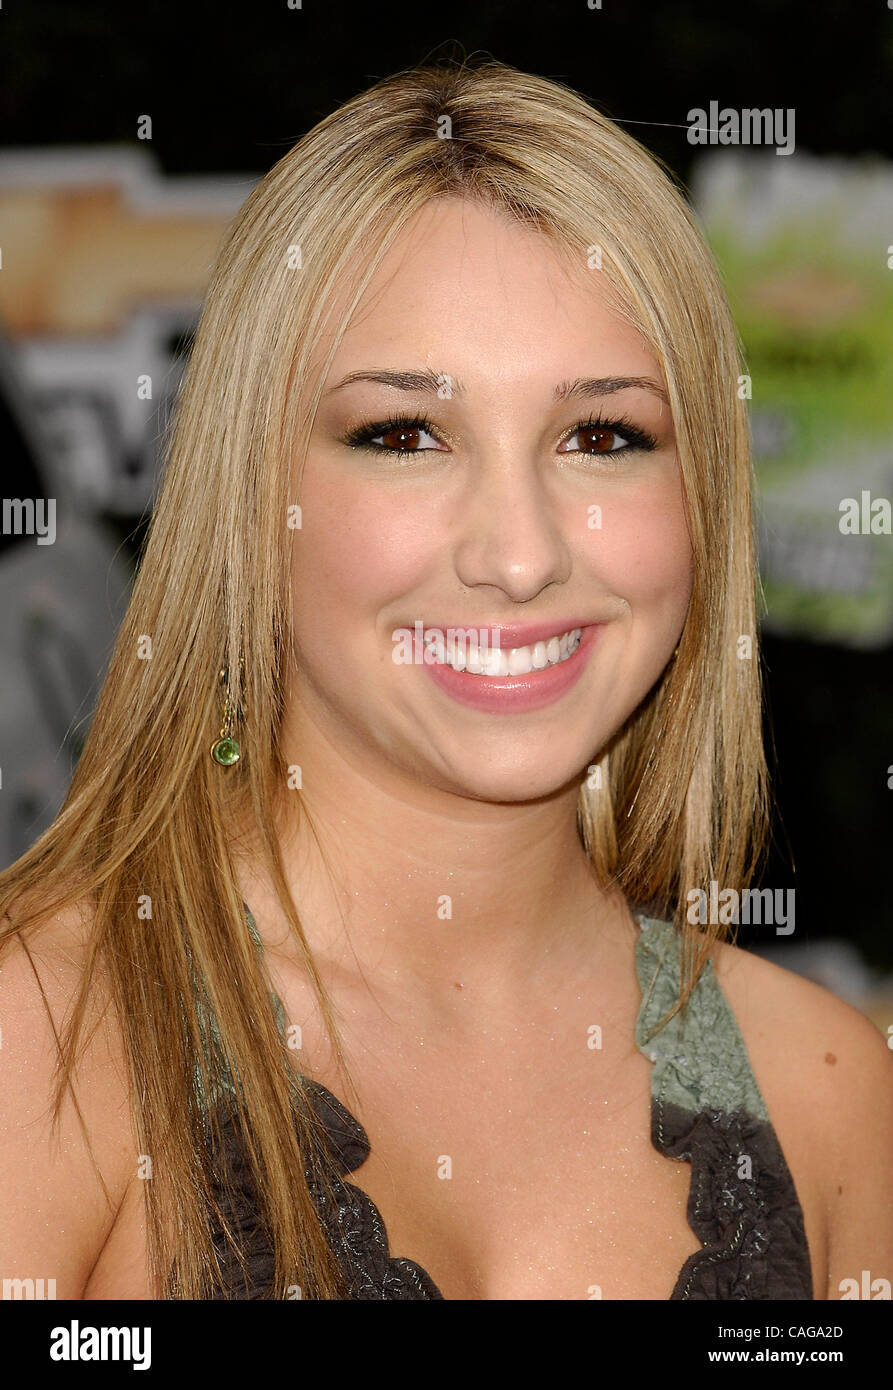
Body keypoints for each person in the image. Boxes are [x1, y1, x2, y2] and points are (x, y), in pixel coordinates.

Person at [1, 56, 890, 1302]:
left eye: (602, 435)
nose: (519, 556)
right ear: (255, 496)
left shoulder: (828, 1091)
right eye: (404, 435)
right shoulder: (45, 1037)